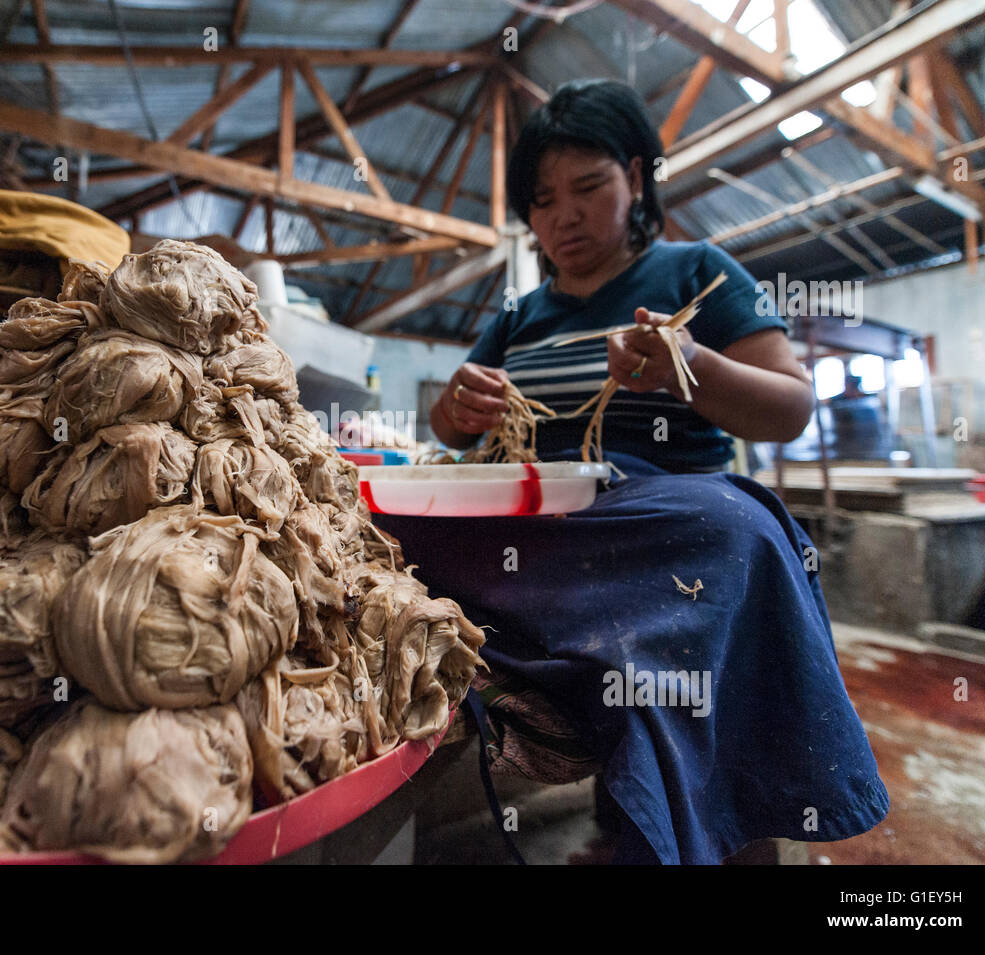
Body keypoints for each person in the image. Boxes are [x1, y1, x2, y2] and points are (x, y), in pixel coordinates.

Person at [373, 79, 889, 864]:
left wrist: (692, 365)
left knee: (738, 530)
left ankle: (723, 824)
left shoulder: (695, 275)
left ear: (638, 179)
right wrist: (459, 408)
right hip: (544, 524)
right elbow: (449, 426)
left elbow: (788, 408)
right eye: (543, 201)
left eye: (589, 187)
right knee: (389, 521)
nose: (564, 216)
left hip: (660, 516)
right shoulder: (520, 315)